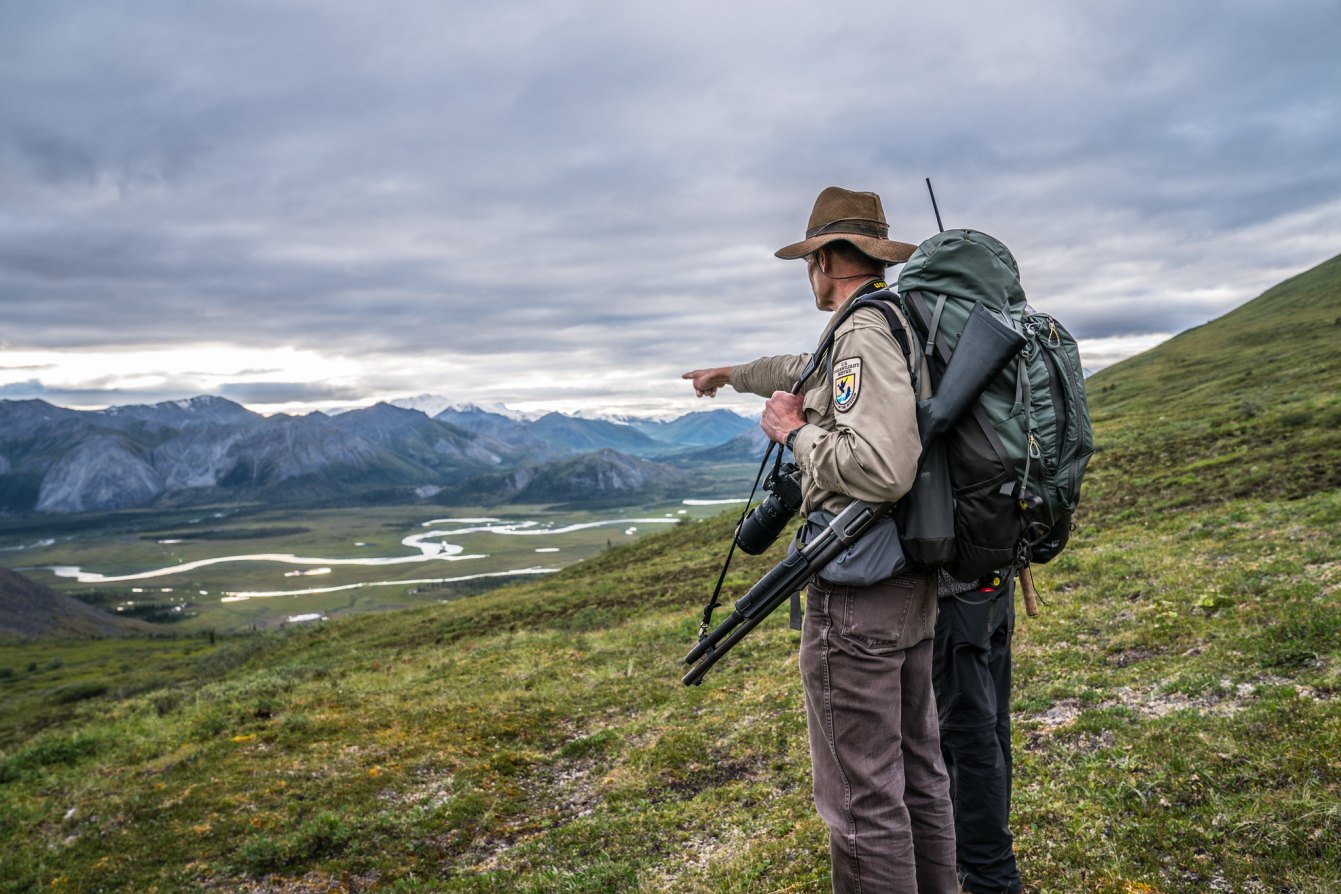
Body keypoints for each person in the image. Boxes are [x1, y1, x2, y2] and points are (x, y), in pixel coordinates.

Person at [683, 186, 958, 893]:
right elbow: (801, 371)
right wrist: (731, 374)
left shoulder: (861, 334)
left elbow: (879, 469)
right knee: (918, 775)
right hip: (908, 579)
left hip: (859, 593)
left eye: (810, 257)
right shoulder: (893, 320)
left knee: (862, 801)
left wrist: (792, 433)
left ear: (829, 258)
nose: (808, 271)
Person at [934, 571, 1023, 894]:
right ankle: (990, 867)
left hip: (954, 597)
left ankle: (990, 878)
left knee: (968, 737)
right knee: (990, 728)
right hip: (994, 581)